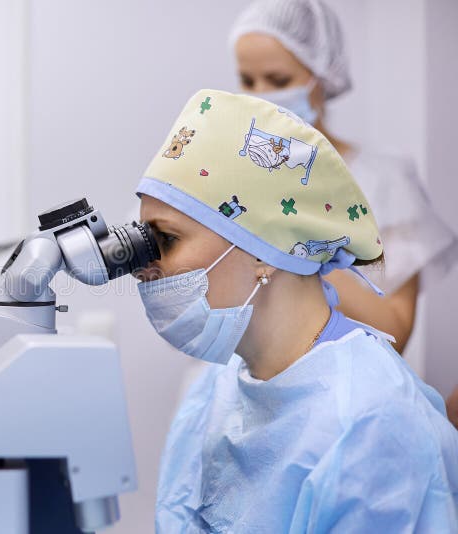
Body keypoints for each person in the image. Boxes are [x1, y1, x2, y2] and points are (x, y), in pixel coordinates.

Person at [135, 89, 458, 532]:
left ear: (264, 247)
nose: (145, 268)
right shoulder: (214, 389)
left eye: (166, 239)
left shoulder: (371, 421)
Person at [229, 0, 457, 352]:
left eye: (278, 80)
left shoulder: (384, 181)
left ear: (322, 77)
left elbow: (394, 332)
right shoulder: (233, 177)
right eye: (247, 80)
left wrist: (302, 249)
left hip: (339, 382)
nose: (260, 96)